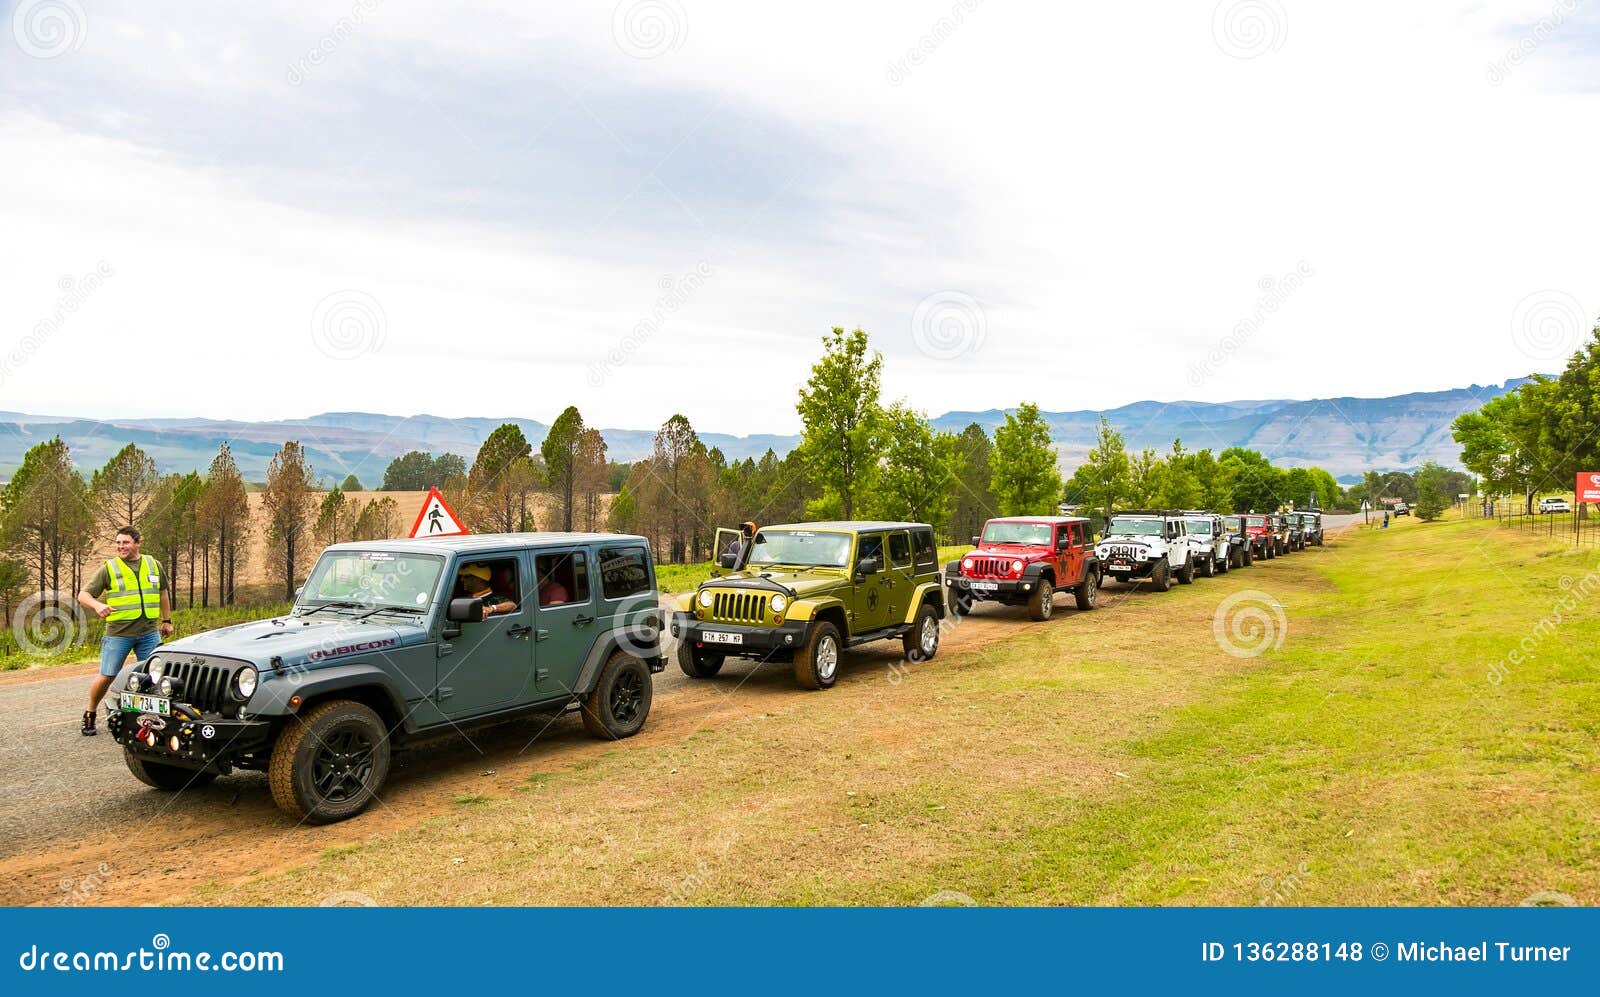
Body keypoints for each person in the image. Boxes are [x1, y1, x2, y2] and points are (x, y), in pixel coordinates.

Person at [75, 526, 173, 736]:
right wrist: (98, 606)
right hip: (119, 633)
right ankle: (90, 712)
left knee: (155, 676)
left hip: (149, 632)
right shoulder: (109, 568)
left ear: (138, 543)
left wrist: (166, 620)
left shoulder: (153, 564)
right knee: (108, 675)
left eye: (125, 542)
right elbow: (83, 595)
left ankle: (151, 719)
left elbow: (163, 593)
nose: (121, 547)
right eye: (118, 543)